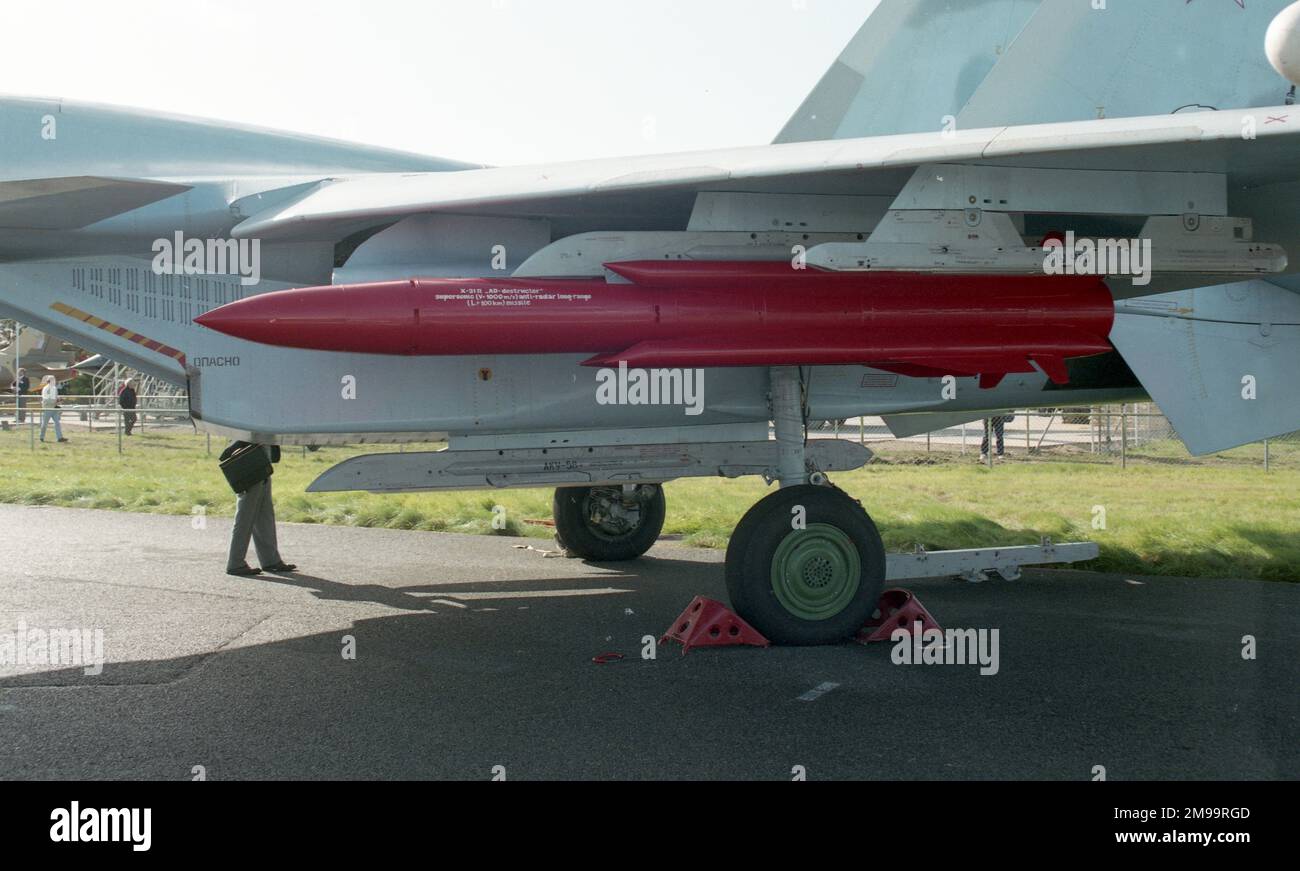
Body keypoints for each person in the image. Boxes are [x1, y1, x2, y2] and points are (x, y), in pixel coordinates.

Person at [221, 441, 296, 576]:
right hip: (250, 458)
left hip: (260, 458)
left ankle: (270, 560)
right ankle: (235, 563)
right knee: (245, 515)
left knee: (264, 513)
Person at [38, 375, 68, 443]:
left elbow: (54, 397)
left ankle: (59, 438)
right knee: (45, 424)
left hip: (54, 408)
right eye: (53, 380)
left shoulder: (54, 388)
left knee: (57, 423)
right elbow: (46, 400)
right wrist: (57, 401)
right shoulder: (46, 389)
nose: (54, 381)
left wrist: (58, 399)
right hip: (48, 408)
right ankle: (41, 437)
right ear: (50, 381)